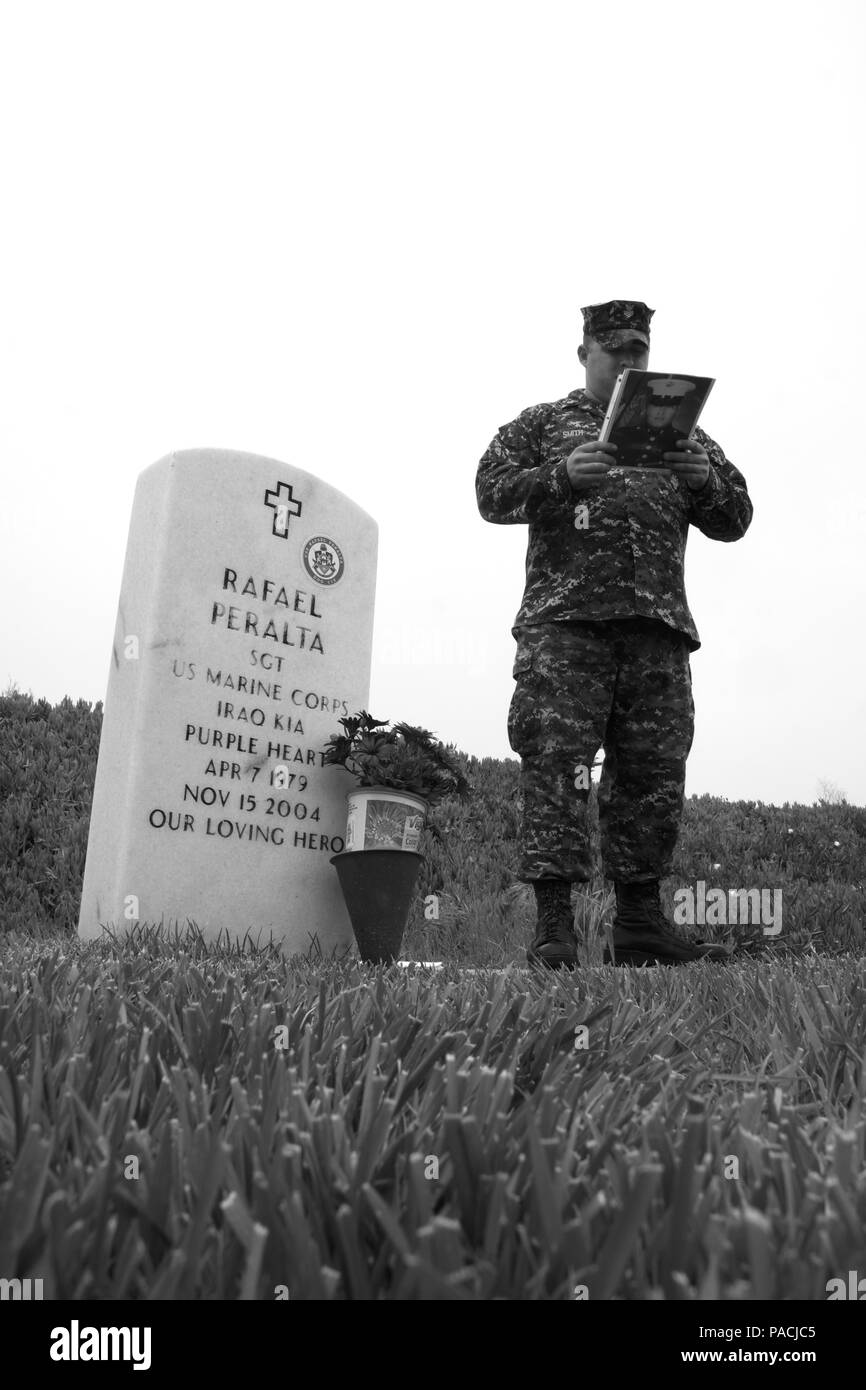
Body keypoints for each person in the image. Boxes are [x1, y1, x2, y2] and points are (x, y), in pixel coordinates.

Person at [475, 299, 754, 969]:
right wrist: (558, 477)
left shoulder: (683, 431)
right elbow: (489, 492)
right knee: (559, 768)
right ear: (585, 354)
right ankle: (554, 929)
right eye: (617, 347)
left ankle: (639, 926)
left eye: (640, 347)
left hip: (657, 629)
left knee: (652, 778)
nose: (632, 358)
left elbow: (736, 515)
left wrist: (704, 480)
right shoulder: (543, 424)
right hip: (566, 627)